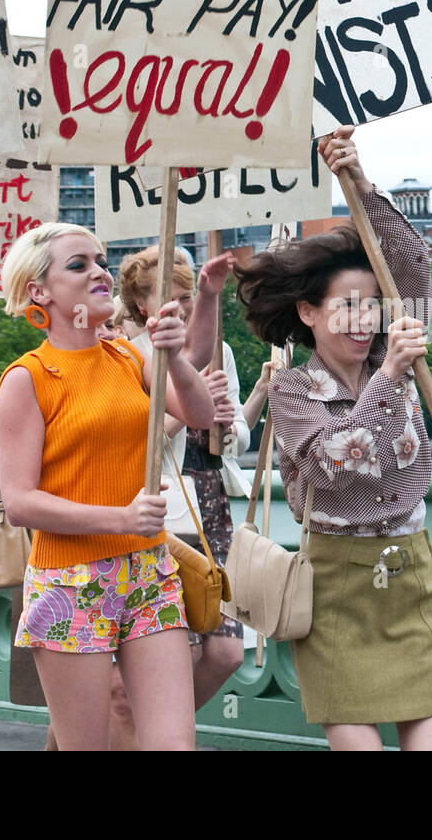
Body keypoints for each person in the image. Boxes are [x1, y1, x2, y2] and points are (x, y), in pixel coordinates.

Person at [235, 125, 432, 751]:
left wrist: (356, 178)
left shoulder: (398, 346)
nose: (367, 322)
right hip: (334, 588)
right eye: (348, 307)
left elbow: (411, 266)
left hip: (410, 571)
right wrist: (388, 378)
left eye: (373, 307)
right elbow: (340, 463)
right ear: (308, 312)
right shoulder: (293, 389)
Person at [0, 222, 214, 751]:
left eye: (99, 260)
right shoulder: (28, 378)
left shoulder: (129, 356)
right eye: (78, 265)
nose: (98, 272)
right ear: (38, 292)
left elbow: (201, 415)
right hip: (70, 581)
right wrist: (119, 518)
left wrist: (175, 357)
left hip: (149, 570)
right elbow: (19, 502)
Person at [119, 247, 248, 712]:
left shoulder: (220, 349)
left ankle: (152, 729)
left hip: (211, 502)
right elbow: (139, 446)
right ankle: (150, 731)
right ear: (141, 305)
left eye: (184, 297)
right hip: (166, 506)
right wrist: (190, 410)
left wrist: (227, 423)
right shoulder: (130, 356)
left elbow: (238, 442)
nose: (179, 306)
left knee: (227, 651)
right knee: (183, 650)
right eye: (167, 299)